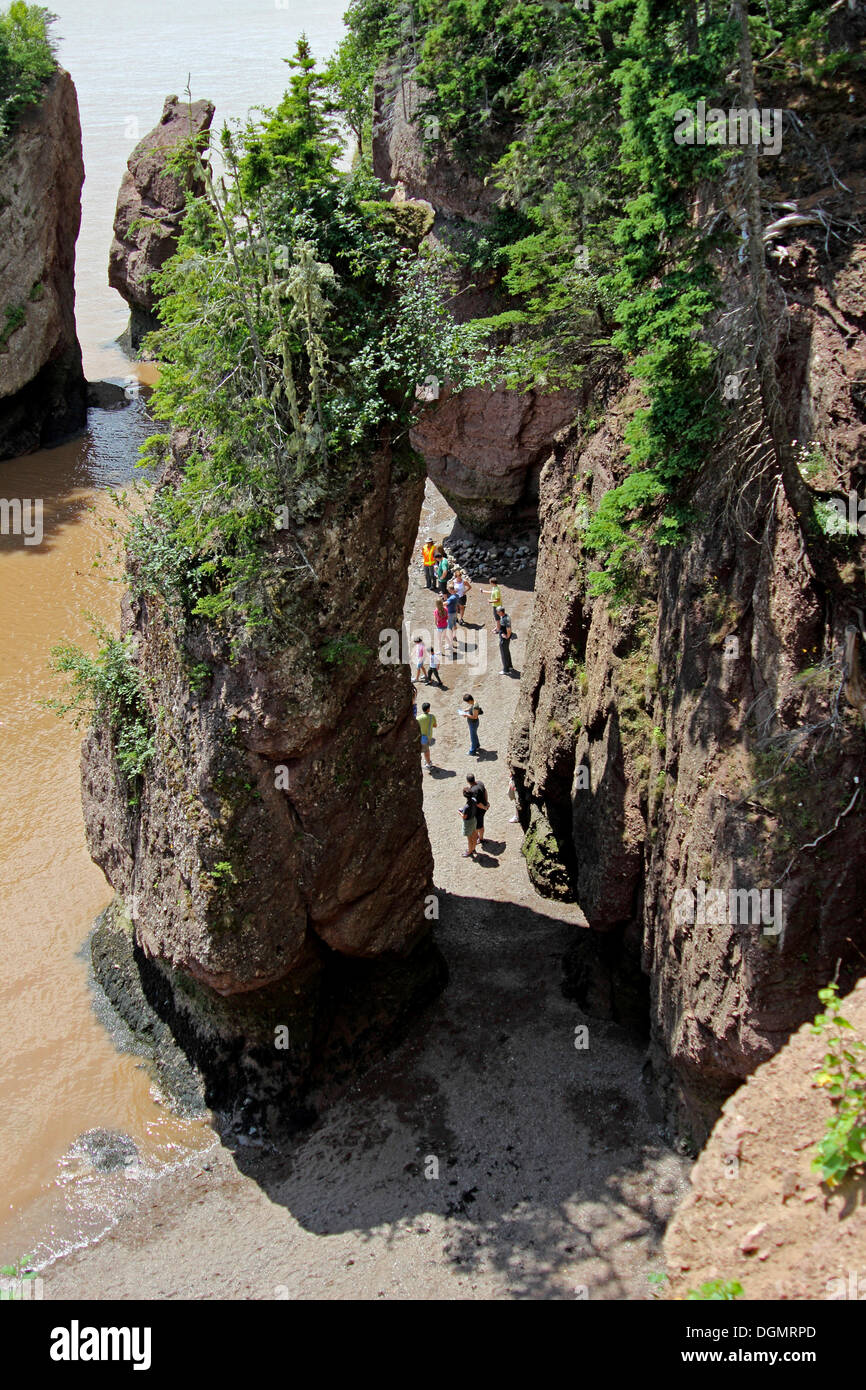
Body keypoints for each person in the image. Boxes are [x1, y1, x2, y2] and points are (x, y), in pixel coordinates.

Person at [466, 772, 489, 848]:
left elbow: (477, 803)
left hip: (479, 811)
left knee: (479, 826)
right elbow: (485, 791)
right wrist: (486, 802)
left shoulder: (473, 791)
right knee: (479, 824)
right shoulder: (480, 783)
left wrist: (484, 807)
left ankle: (481, 838)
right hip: (484, 807)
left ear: (468, 781)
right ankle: (479, 837)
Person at [417, 701, 437, 770]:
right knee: (426, 750)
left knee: (426, 750)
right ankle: (428, 763)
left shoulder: (418, 718)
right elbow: (435, 725)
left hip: (421, 737)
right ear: (428, 709)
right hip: (428, 736)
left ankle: (428, 763)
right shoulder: (432, 717)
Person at [459, 787, 478, 857]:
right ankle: (473, 848)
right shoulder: (474, 800)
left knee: (469, 839)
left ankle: (469, 851)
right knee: (474, 835)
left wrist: (459, 812)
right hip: (473, 819)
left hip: (468, 823)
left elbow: (464, 816)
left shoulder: (466, 807)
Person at [496, 606, 514, 674]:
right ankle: (510, 666)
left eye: (498, 612)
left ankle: (506, 670)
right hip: (506, 638)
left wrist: (507, 636)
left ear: (501, 612)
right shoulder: (506, 616)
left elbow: (508, 629)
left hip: (504, 639)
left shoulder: (504, 619)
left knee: (504, 654)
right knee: (507, 652)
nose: (497, 613)